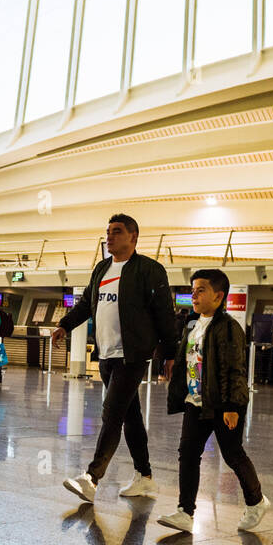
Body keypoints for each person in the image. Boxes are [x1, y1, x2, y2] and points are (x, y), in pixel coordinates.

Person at [53, 213, 177, 503]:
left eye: (117, 232)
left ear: (133, 237)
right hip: (107, 354)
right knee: (130, 417)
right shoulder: (102, 268)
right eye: (108, 232)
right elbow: (86, 303)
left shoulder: (150, 270)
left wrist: (169, 353)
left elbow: (164, 314)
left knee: (111, 414)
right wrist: (64, 324)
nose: (109, 237)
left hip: (132, 355)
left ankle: (91, 478)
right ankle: (145, 478)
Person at [156, 269, 270, 534]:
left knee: (232, 454)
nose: (193, 295)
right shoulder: (193, 325)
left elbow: (234, 369)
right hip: (195, 401)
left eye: (201, 290)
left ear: (219, 296)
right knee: (187, 454)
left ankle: (256, 502)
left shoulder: (228, 327)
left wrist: (231, 407)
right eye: (192, 290)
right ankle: (185, 512)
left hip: (223, 403)